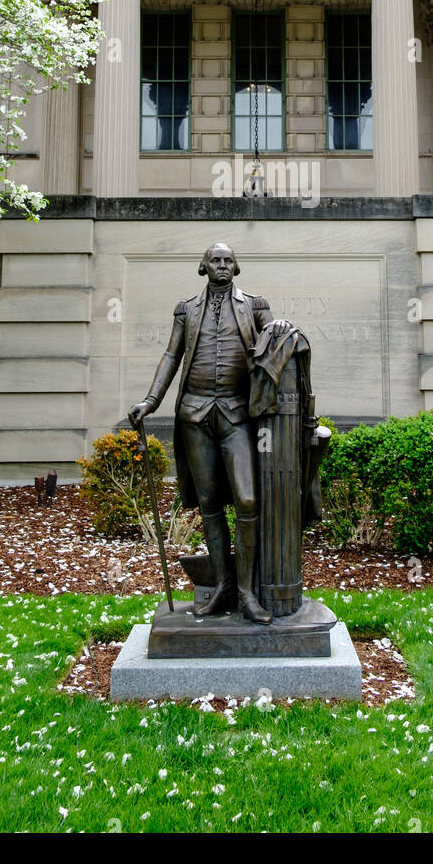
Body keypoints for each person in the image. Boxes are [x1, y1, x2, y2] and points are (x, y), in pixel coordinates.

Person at [129, 243, 290, 625]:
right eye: (214, 260)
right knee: (210, 505)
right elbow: (171, 356)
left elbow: (273, 341)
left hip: (236, 415)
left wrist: (281, 327)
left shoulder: (254, 305)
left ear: (237, 267)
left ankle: (248, 593)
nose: (221, 265)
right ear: (203, 267)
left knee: (248, 500)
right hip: (195, 415)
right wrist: (150, 401)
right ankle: (222, 586)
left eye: (228, 260)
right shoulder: (186, 309)